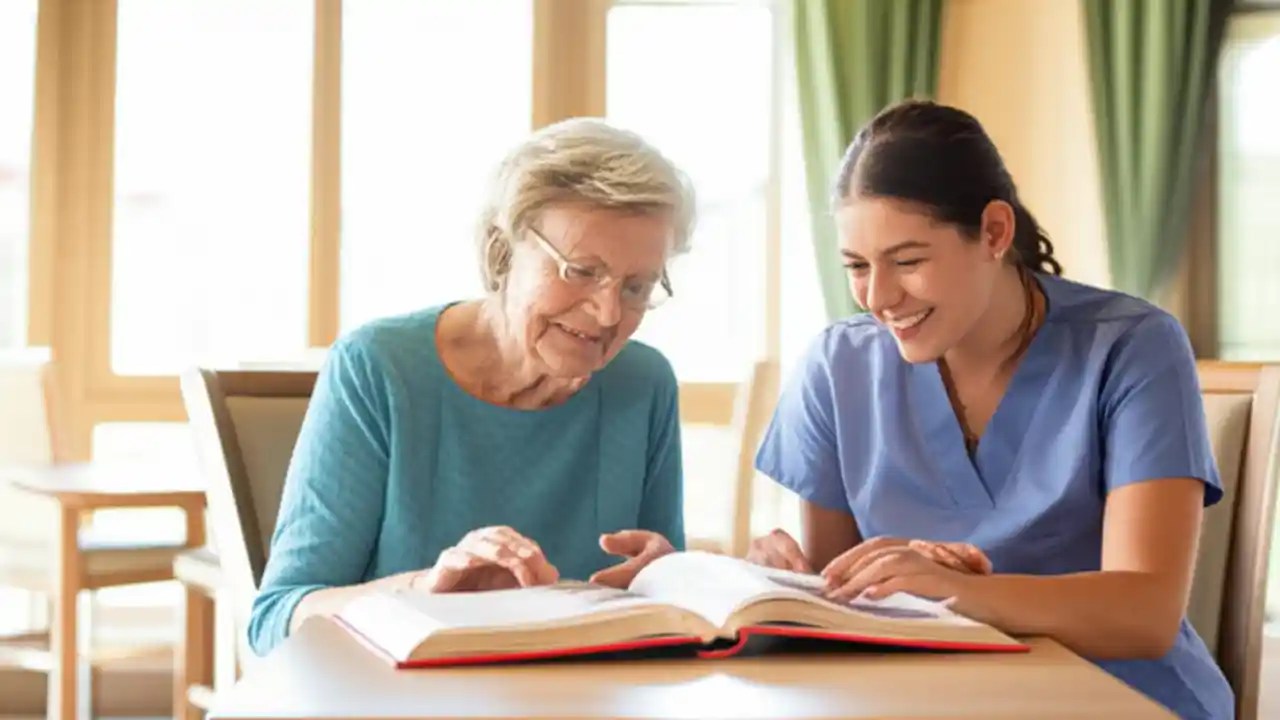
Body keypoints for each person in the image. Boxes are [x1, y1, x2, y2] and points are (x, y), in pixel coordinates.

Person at [746, 99, 1232, 720]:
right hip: (924, 701)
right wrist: (785, 581)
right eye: (858, 267)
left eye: (909, 261)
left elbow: (1146, 614)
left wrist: (961, 593)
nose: (879, 297)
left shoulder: (1132, 347)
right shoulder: (838, 366)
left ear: (995, 233)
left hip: (1119, 698)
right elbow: (837, 595)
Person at [248, 118, 695, 656]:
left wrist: (667, 578)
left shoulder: (643, 384)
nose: (606, 313)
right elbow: (276, 620)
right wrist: (422, 592)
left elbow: (662, 610)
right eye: (580, 270)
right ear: (503, 251)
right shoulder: (379, 368)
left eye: (636, 287)